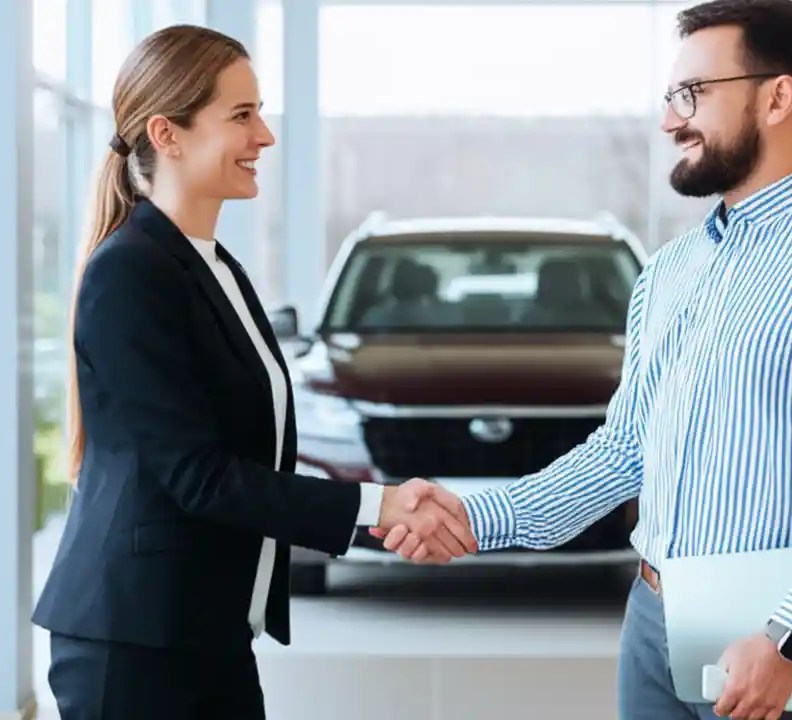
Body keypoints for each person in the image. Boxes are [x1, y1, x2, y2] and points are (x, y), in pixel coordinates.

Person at [376, 1, 792, 719]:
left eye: (694, 94)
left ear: (778, 97)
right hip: (650, 612)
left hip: (771, 632)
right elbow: (621, 452)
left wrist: (789, 636)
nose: (672, 121)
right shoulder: (670, 270)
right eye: (673, 97)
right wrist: (477, 515)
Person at [31, 25, 476, 719]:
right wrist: (377, 505)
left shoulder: (214, 268)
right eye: (241, 116)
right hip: (135, 643)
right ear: (167, 134)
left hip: (204, 630)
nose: (264, 136)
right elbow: (197, 476)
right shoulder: (130, 273)